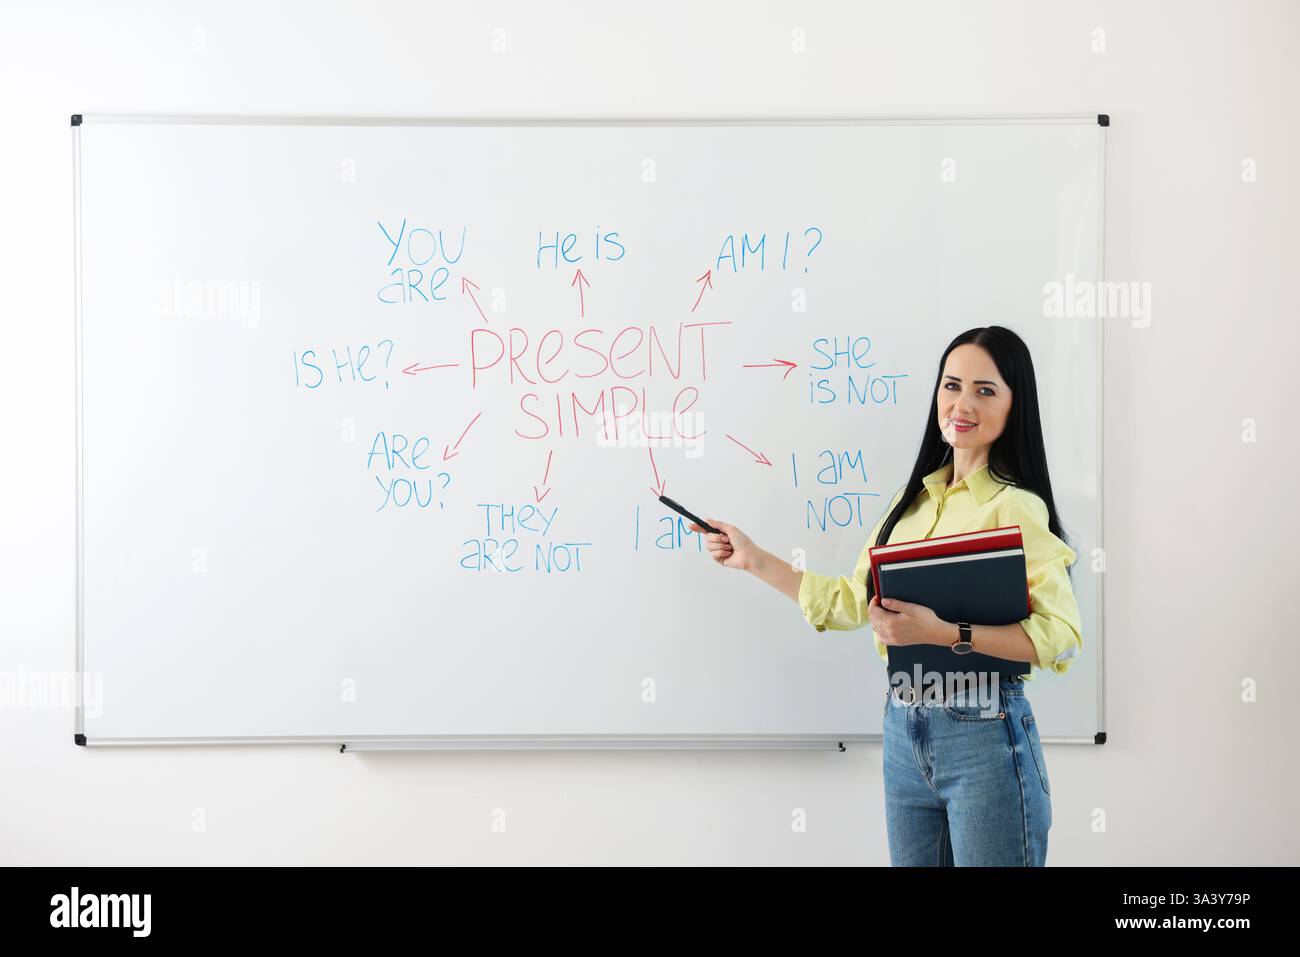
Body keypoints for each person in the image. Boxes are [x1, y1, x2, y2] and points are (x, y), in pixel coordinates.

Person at [689, 325, 1083, 866]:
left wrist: (944, 634)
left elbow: (1059, 638)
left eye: (985, 390)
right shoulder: (910, 505)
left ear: (1016, 404)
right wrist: (753, 558)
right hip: (904, 731)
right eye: (951, 385)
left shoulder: (1016, 508)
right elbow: (851, 601)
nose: (961, 404)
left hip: (985, 732)